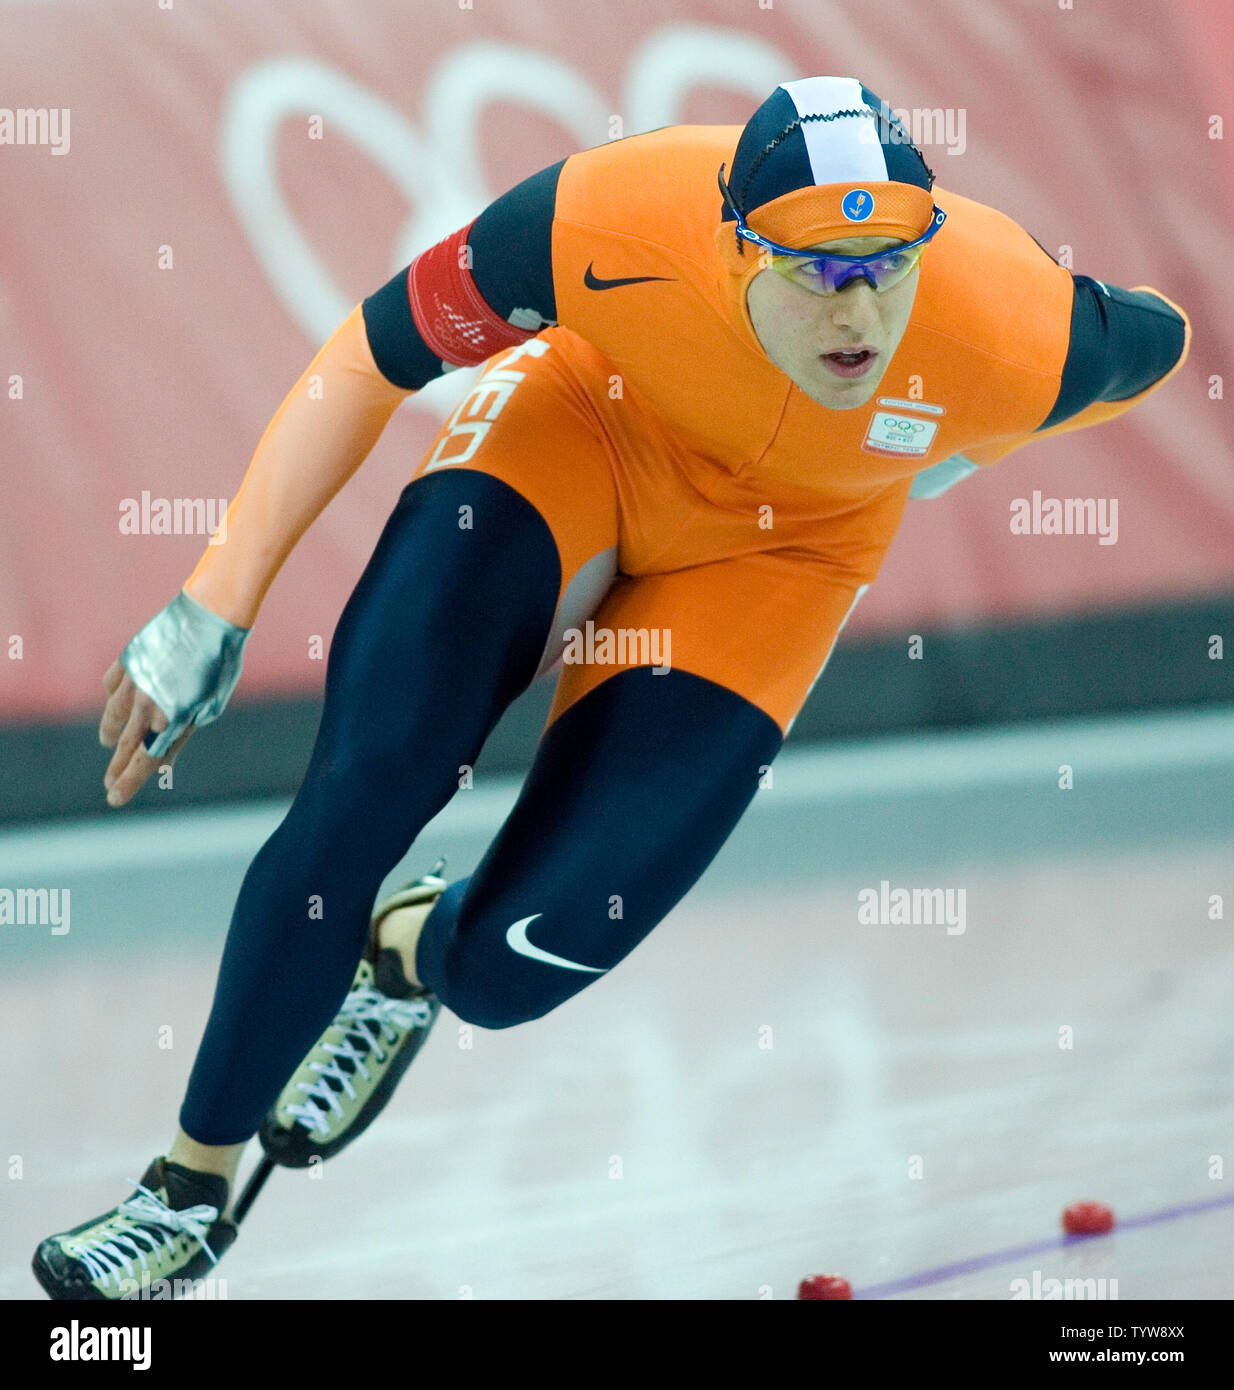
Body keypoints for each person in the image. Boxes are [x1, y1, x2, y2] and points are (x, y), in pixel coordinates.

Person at [33, 75, 1189, 1300]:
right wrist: (219, 597)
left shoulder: (1011, 327)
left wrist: (967, 438)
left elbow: (1158, 335)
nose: (855, 309)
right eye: (810, 268)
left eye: (885, 265)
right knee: (370, 782)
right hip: (586, 430)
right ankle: (185, 1193)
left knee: (513, 967)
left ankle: (410, 954)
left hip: (781, 552)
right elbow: (369, 358)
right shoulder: (605, 221)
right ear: (734, 242)